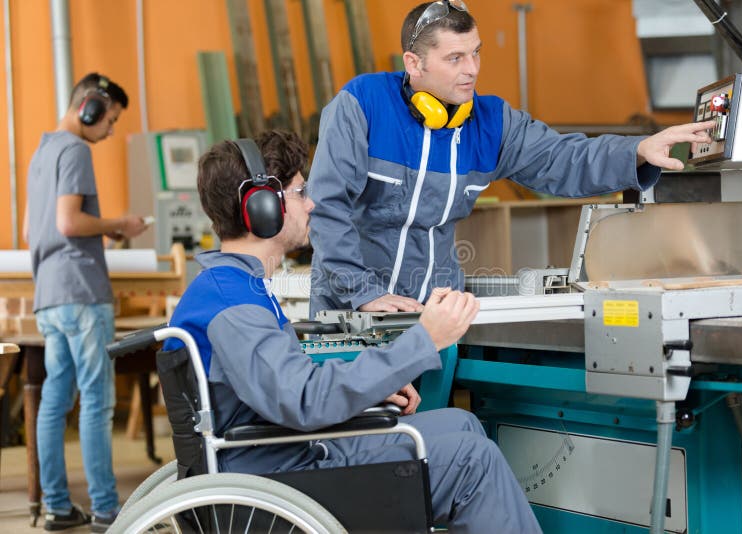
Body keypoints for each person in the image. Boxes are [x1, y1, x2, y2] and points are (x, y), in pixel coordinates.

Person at [164, 130, 543, 532]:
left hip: (285, 455)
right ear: (262, 207)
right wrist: (424, 340)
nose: (311, 204)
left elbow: (285, 385)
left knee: (460, 424)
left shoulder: (234, 287)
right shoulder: (232, 303)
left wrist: (373, 386)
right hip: (279, 481)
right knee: (471, 459)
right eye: (300, 193)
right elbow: (303, 399)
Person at [307, 0, 714, 318]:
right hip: (352, 317)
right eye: (455, 58)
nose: (472, 70)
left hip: (434, 319)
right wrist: (363, 294)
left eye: (476, 53)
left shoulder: (491, 122)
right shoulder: (362, 105)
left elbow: (562, 158)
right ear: (414, 63)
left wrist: (636, 151)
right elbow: (326, 207)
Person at [24, 72, 148, 532]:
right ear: (89, 108)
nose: (110, 130)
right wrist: (119, 224)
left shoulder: (41, 152)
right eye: (110, 120)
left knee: (54, 400)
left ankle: (57, 506)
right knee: (97, 401)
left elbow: (33, 231)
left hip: (49, 295)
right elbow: (69, 222)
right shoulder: (75, 150)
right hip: (81, 292)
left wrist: (101, 234)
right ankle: (106, 509)